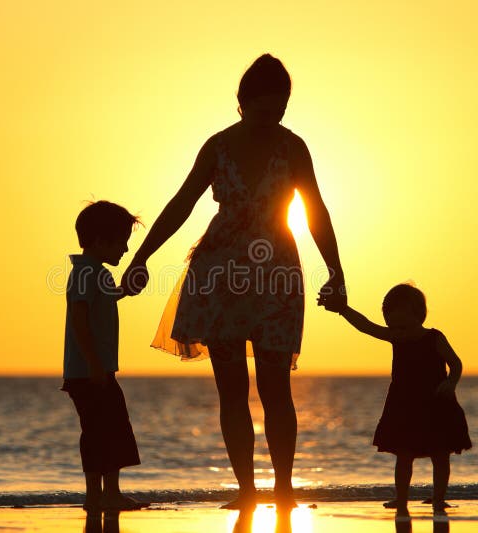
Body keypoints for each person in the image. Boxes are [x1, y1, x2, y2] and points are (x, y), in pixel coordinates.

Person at [120, 54, 347, 511]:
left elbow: (316, 209)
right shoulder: (217, 146)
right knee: (231, 391)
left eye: (280, 109)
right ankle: (246, 491)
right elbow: (182, 202)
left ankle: (284, 490)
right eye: (264, 108)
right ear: (242, 102)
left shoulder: (293, 147)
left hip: (277, 276)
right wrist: (142, 257)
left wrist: (336, 271)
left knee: (276, 388)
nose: (272, 117)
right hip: (219, 276)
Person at [319, 283, 472, 519]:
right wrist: (343, 310)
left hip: (435, 404)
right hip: (405, 405)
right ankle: (401, 498)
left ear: (416, 313)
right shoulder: (396, 337)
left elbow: (456, 363)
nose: (391, 321)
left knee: (440, 454)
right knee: (404, 454)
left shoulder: (434, 337)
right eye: (388, 315)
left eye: (395, 314)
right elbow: (366, 326)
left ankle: (439, 498)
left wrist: (451, 382)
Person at [61, 200, 147, 513]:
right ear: (100, 241)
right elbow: (79, 319)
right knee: (100, 431)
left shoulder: (96, 273)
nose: (125, 249)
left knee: (110, 428)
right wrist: (94, 364)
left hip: (96, 370)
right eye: (121, 242)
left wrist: (126, 290)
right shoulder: (86, 273)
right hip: (89, 372)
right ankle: (99, 495)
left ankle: (107, 494)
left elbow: (103, 300)